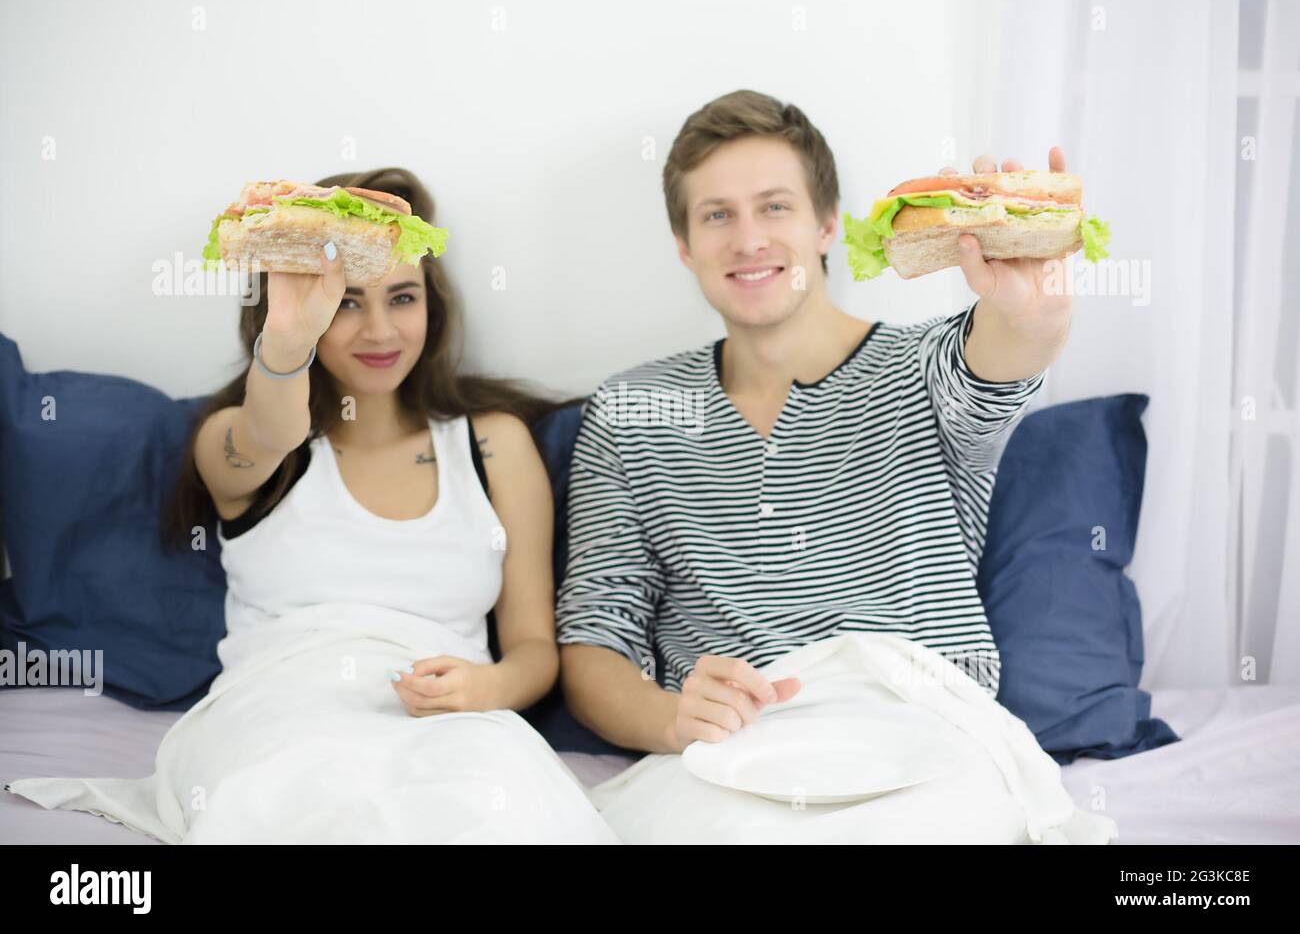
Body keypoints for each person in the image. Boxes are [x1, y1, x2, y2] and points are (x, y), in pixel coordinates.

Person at [6, 167, 619, 844]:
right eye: (347, 303)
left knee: (499, 812)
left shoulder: (494, 444)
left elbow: (534, 646)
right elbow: (273, 429)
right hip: (280, 710)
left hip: (453, 724)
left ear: (433, 307)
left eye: (403, 297)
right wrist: (288, 344)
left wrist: (485, 688)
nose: (380, 330)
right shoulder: (238, 439)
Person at [554, 90, 1082, 843]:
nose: (747, 240)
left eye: (774, 207)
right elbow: (597, 633)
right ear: (683, 244)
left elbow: (1005, 354)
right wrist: (671, 719)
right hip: (732, 754)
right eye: (716, 215)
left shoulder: (924, 367)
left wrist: (1035, 314)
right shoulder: (632, 409)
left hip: (922, 737)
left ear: (827, 223)